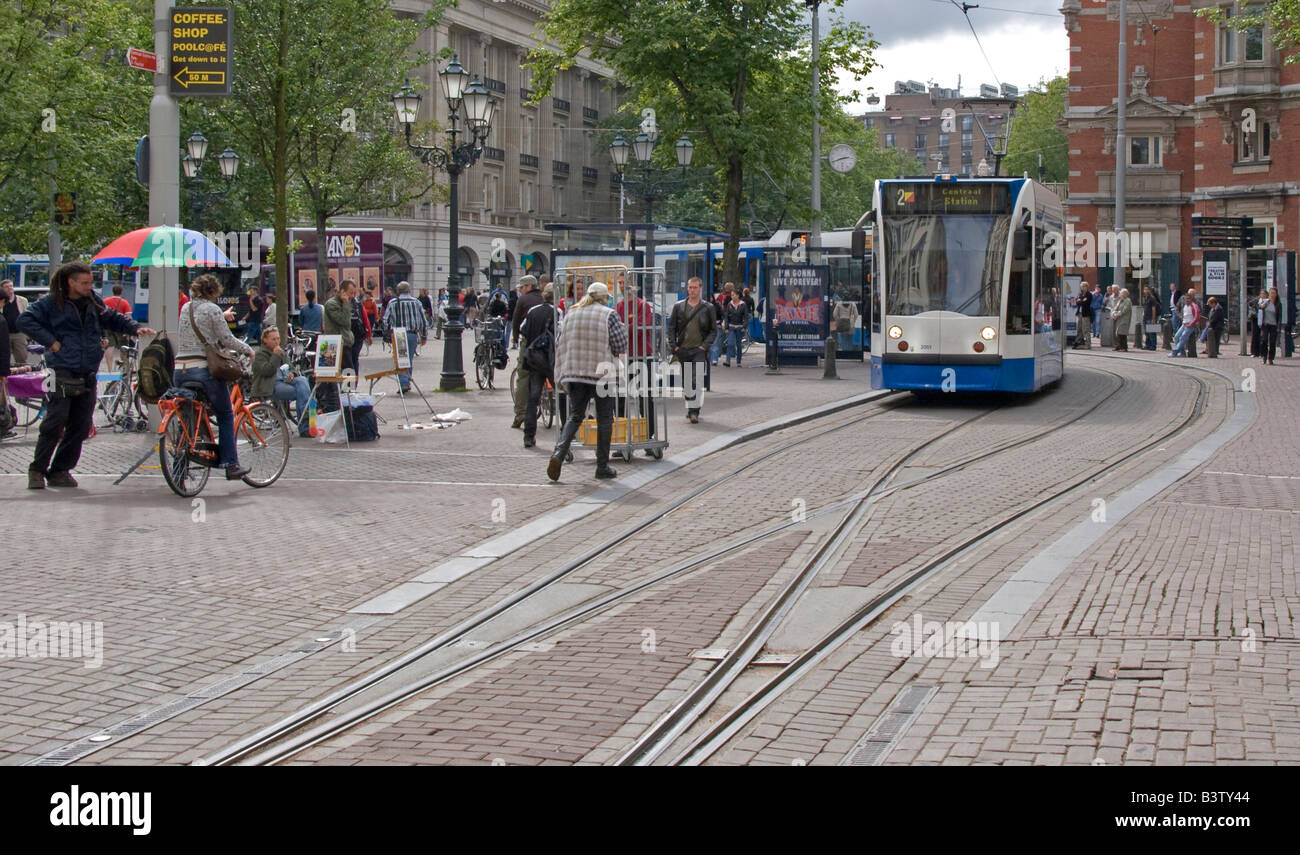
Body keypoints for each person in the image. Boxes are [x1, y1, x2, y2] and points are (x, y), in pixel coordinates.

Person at [17, 262, 156, 487]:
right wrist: (51, 342)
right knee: (55, 421)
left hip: (88, 369)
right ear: (70, 282)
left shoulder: (93, 301)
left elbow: (112, 318)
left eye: (91, 282)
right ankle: (37, 470)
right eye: (84, 283)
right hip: (60, 369)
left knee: (81, 425)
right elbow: (25, 320)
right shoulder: (51, 302)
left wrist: (134, 328)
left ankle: (60, 470)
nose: (89, 286)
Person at [172, 273, 253, 481]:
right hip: (201, 370)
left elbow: (197, 328)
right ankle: (230, 464)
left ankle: (178, 471)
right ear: (213, 291)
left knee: (186, 420)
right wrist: (248, 350)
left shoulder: (185, 308)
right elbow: (226, 339)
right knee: (226, 415)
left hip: (180, 370)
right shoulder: (212, 309)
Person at [546, 282, 626, 481]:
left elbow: (559, 341)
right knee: (605, 419)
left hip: (574, 373)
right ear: (603, 298)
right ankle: (602, 466)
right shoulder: (609, 314)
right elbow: (620, 343)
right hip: (601, 374)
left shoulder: (571, 313)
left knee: (575, 415)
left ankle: (558, 453)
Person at [615, 283, 658, 450]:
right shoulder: (618, 306)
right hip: (623, 357)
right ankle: (621, 436)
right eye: (619, 283)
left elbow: (641, 328)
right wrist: (627, 328)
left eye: (625, 282)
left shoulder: (642, 305)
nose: (622, 286)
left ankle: (648, 435)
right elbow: (619, 328)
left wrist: (623, 327)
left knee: (645, 396)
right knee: (619, 397)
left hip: (641, 356)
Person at [669, 276, 716, 424]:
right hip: (683, 348)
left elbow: (713, 330)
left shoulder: (708, 308)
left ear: (700, 288)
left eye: (695, 288)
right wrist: (674, 345)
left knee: (697, 379)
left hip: (699, 350)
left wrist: (704, 346)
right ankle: (690, 407)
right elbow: (672, 327)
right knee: (687, 382)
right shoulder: (679, 306)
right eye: (690, 287)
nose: (692, 290)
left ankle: (694, 411)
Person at [252, 327, 312, 437]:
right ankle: (305, 425)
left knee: (303, 380)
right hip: (270, 385)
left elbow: (292, 367)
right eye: (273, 339)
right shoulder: (260, 354)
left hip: (285, 381)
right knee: (304, 393)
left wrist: (292, 374)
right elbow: (267, 371)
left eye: (278, 339)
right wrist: (275, 355)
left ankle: (305, 425)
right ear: (265, 340)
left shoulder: (282, 352)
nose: (277, 342)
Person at [519, 283, 559, 449]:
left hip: (535, 359)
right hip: (550, 360)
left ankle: (529, 436)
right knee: (562, 393)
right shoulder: (557, 311)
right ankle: (566, 433)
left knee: (533, 397)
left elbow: (523, 329)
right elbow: (559, 334)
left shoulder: (532, 311)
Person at [382, 281, 428, 392]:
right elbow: (423, 321)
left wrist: (387, 331)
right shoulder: (416, 302)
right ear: (409, 290)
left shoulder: (393, 302)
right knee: (409, 359)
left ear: (397, 291)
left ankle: (404, 383)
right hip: (412, 334)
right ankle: (406, 380)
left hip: (399, 334)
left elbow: (385, 320)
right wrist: (424, 336)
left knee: (401, 359)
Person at [510, 275, 543, 429]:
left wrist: (515, 338)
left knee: (523, 376)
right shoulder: (544, 297)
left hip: (528, 343)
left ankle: (520, 413)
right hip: (545, 345)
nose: (521, 291)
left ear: (529, 286)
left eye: (522, 288)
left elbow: (516, 321)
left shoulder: (523, 300)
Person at [101, 283, 133, 372]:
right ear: (121, 292)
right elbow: (128, 317)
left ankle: (110, 369)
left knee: (109, 347)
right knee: (123, 347)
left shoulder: (105, 301)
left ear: (113, 291)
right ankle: (125, 368)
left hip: (108, 327)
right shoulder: (124, 302)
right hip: (120, 328)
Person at [3, 279, 30, 368]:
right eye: (6, 287)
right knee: (4, 358)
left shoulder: (22, 300)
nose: (9, 288)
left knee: (22, 358)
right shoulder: (1, 301)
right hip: (4, 334)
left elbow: (28, 316)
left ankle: (21, 379)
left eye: (11, 286)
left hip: (19, 334)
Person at [1170, 287, 1201, 357]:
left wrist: (1192, 323)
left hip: (1190, 325)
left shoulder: (1195, 304)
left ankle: (1174, 352)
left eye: (1193, 294)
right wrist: (1181, 317)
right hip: (1184, 323)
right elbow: (1177, 309)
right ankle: (1182, 352)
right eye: (1190, 294)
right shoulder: (1184, 303)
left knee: (1183, 338)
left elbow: (1197, 315)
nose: (1192, 296)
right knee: (1176, 337)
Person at [723, 288, 750, 366]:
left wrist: (744, 327)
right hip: (731, 327)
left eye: (733, 295)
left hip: (739, 327)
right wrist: (726, 327)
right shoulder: (729, 304)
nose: (732, 296)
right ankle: (728, 361)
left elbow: (746, 317)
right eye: (731, 295)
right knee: (730, 343)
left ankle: (738, 362)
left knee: (738, 344)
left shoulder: (743, 305)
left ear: (738, 296)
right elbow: (726, 316)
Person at [1260, 286, 1281, 364]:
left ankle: (1271, 358)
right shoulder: (1265, 301)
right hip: (1265, 324)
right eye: (1271, 293)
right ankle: (1264, 356)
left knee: (1272, 342)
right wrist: (1262, 306)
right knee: (1264, 340)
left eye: (1273, 293)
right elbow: (1259, 308)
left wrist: (1278, 326)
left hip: (1274, 325)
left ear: (1276, 294)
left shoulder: (1278, 304)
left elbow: (1280, 316)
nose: (1272, 295)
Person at [1073, 280, 1092, 348]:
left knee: (1086, 329)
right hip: (1079, 313)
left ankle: (1088, 343)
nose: (1083, 288)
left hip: (1085, 314)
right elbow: (1077, 302)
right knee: (1079, 328)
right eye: (1082, 287)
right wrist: (1081, 301)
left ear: (1087, 287)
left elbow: (1086, 303)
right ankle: (1078, 342)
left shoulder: (1089, 294)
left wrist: (1080, 301)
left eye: (1084, 286)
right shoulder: (1080, 294)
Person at [1143, 286, 1160, 350]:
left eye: (1147, 289)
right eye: (1144, 289)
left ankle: (1153, 346)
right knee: (1146, 332)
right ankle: (1147, 345)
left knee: (1152, 332)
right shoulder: (1145, 298)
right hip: (1146, 317)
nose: (1145, 291)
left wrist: (1153, 318)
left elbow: (1153, 308)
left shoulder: (1152, 298)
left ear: (1149, 290)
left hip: (1150, 317)